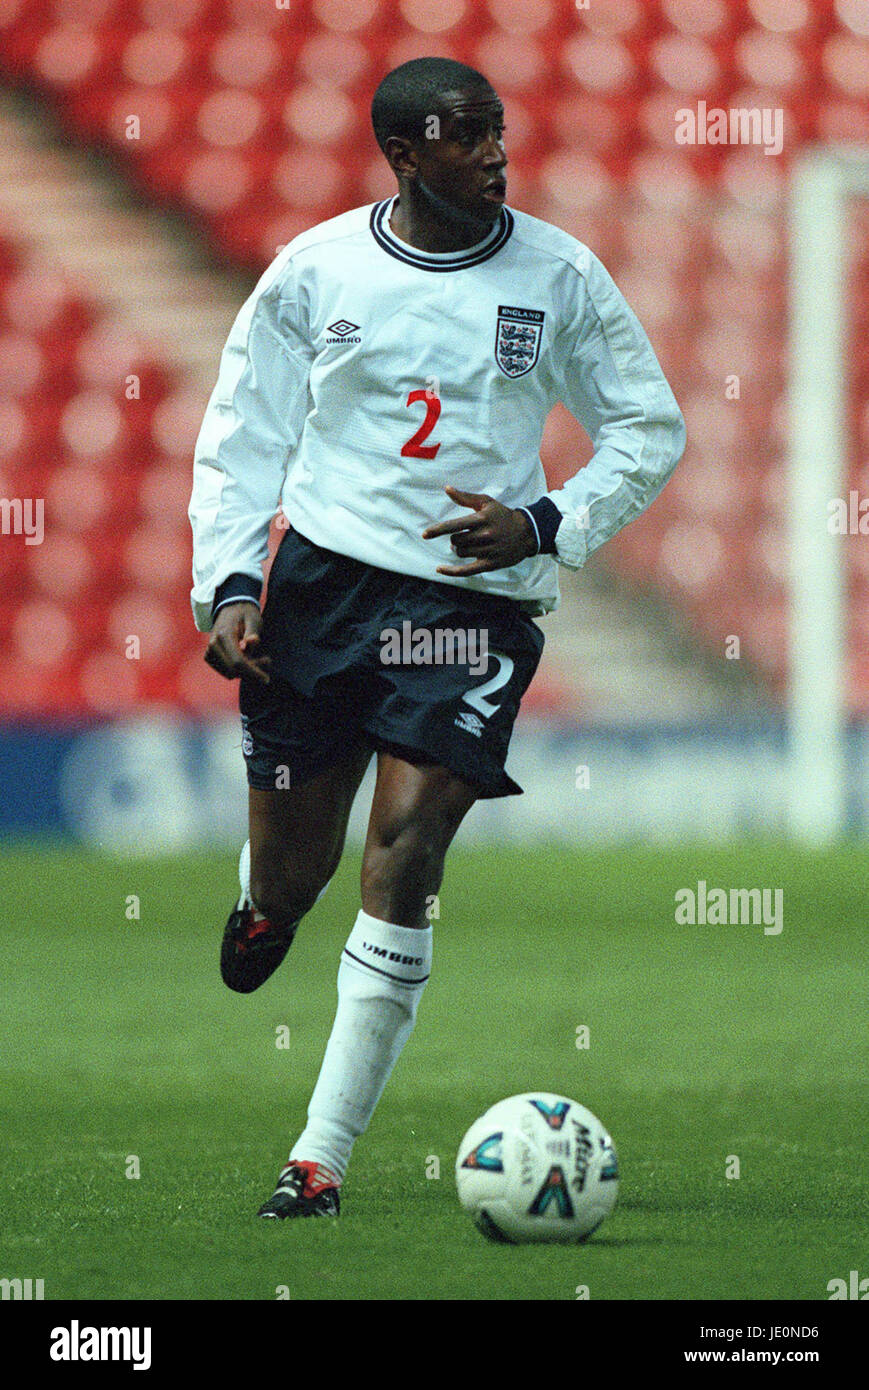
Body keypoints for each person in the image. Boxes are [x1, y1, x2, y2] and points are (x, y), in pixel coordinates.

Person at [188, 56, 686, 1219]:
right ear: (404, 154)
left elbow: (645, 427)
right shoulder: (318, 271)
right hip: (322, 590)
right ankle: (265, 899)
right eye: (466, 138)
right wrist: (227, 583)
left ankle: (317, 1158)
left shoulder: (557, 277)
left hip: (471, 604)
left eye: (498, 133)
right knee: (295, 873)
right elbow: (243, 428)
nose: (496, 156)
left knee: (405, 854)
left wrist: (546, 520)